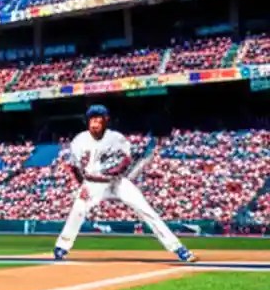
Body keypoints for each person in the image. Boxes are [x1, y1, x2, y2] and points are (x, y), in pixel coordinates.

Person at [54, 105, 197, 263]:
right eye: (91, 119)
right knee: (78, 210)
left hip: (118, 182)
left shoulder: (116, 138)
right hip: (93, 184)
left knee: (146, 210)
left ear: (105, 120)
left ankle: (177, 248)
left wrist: (115, 171)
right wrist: (82, 186)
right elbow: (73, 167)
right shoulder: (79, 140)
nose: (94, 122)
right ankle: (62, 246)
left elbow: (126, 160)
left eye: (98, 118)